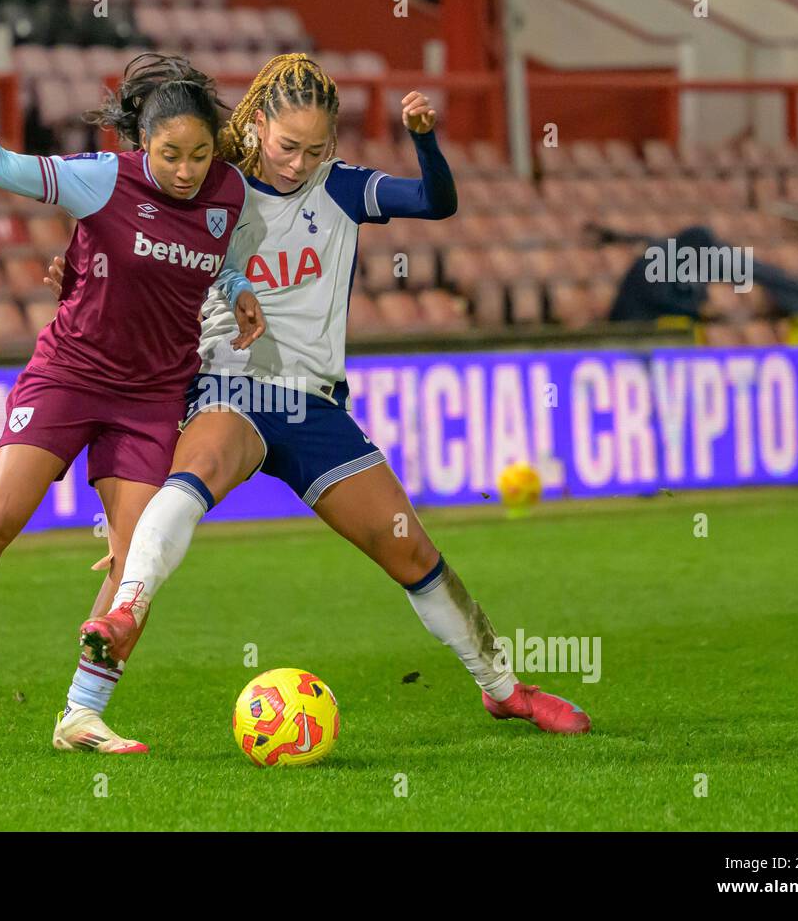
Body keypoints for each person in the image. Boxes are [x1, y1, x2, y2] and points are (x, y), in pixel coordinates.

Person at [48, 54, 591, 753]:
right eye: (286, 146)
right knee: (198, 473)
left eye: (315, 149)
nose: (300, 162)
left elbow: (436, 202)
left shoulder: (342, 190)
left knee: (411, 550)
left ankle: (503, 689)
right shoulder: (214, 188)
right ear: (258, 123)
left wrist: (424, 137)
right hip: (229, 387)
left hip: (313, 406)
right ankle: (113, 643)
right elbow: (128, 237)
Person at [0, 49, 267, 757]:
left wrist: (236, 288)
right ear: (143, 144)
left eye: (200, 155)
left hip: (151, 394)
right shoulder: (101, 180)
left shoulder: (230, 194)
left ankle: (81, 713)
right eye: (171, 154)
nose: (186, 170)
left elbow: (215, 254)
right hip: (71, 373)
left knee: (137, 562)